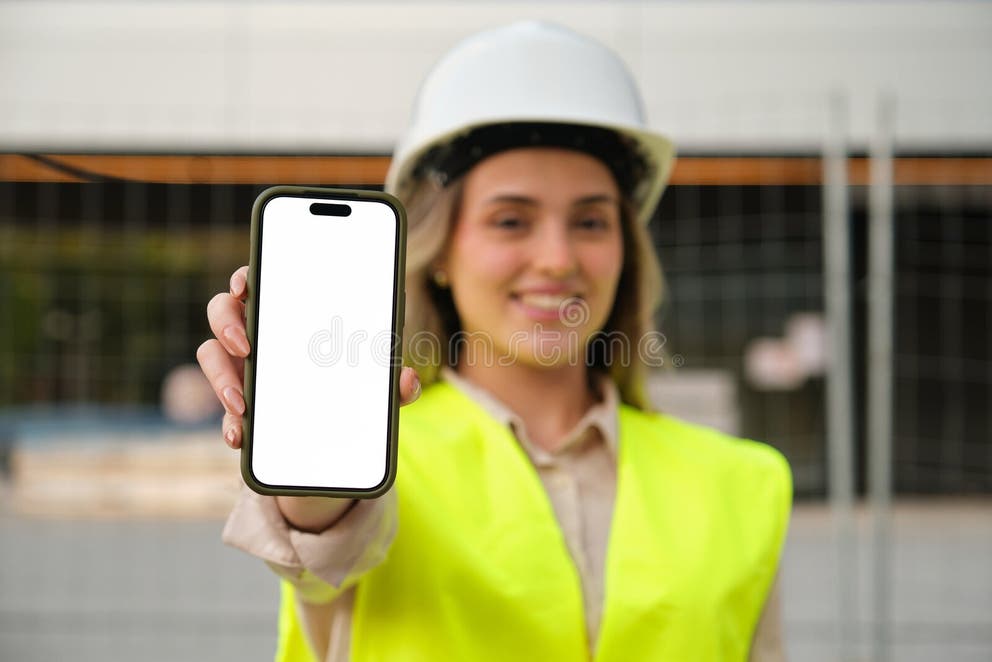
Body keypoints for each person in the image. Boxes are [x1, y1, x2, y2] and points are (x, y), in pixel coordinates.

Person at [197, 21, 791, 662]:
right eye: (511, 220)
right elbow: (319, 535)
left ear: (626, 250)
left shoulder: (742, 483)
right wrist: (301, 412)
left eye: (591, 221)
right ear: (440, 252)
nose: (558, 258)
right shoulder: (375, 452)